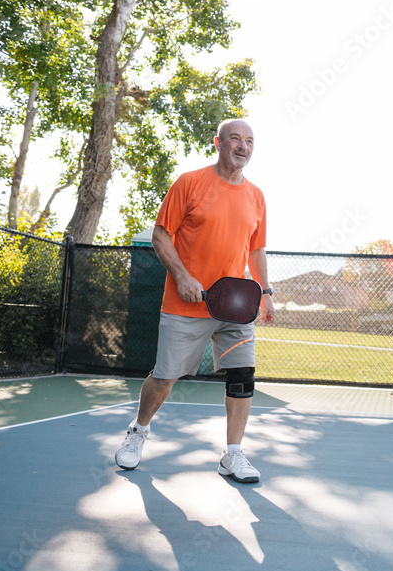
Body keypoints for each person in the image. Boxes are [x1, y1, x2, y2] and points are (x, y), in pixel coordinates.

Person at [115, 119, 276, 483]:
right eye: (235, 138)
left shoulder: (256, 196)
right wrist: (183, 276)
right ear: (218, 143)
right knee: (165, 378)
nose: (243, 146)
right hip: (186, 302)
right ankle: (138, 431)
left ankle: (233, 455)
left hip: (235, 306)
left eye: (250, 141)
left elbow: (256, 248)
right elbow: (160, 234)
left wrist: (265, 292)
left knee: (242, 376)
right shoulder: (190, 183)